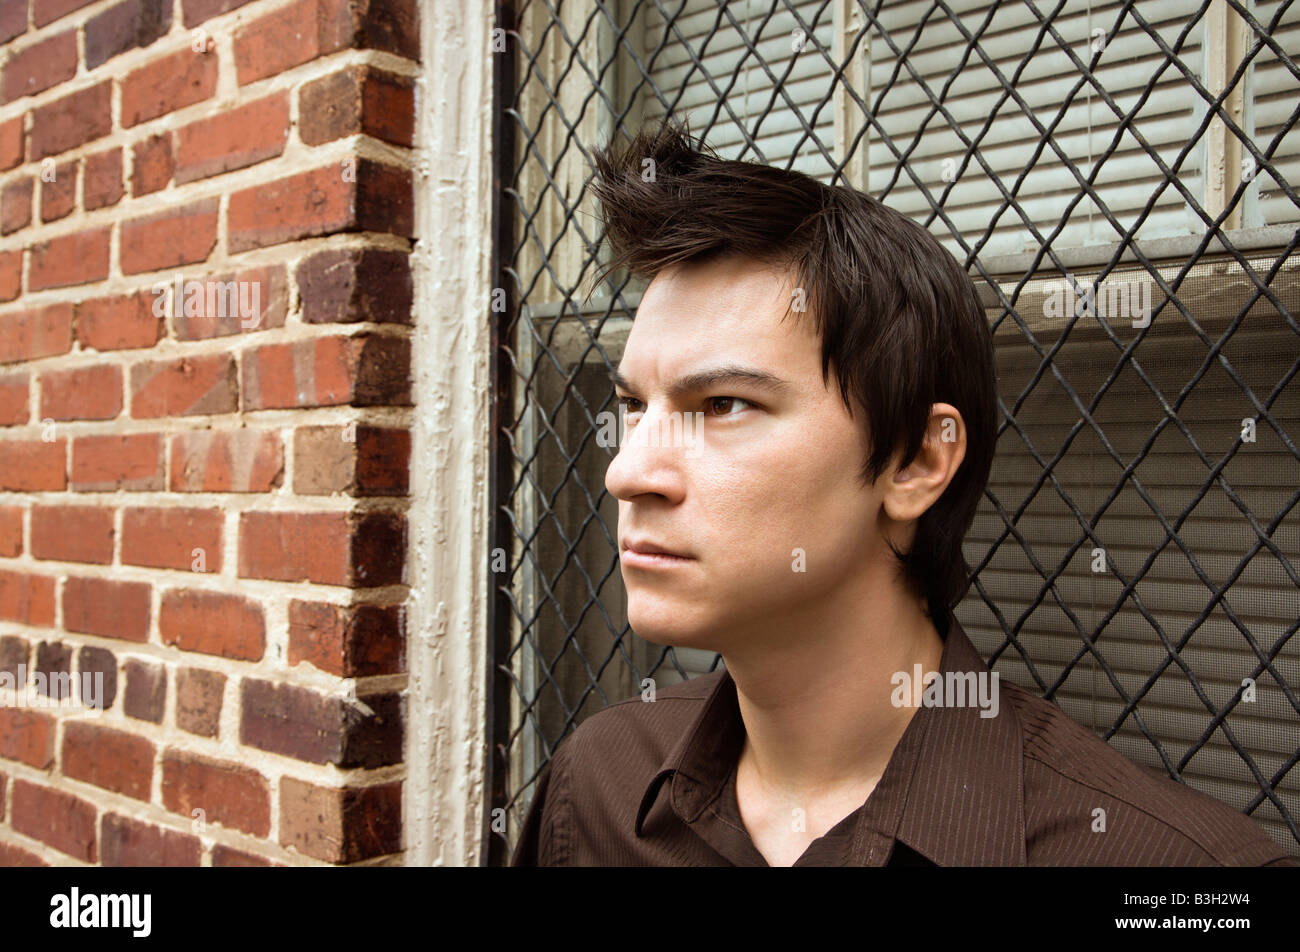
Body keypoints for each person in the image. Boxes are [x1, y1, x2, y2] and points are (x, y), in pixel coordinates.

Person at [509, 119, 1296, 867]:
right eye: (634, 408)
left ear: (918, 461)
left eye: (722, 406)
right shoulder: (600, 791)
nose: (627, 470)